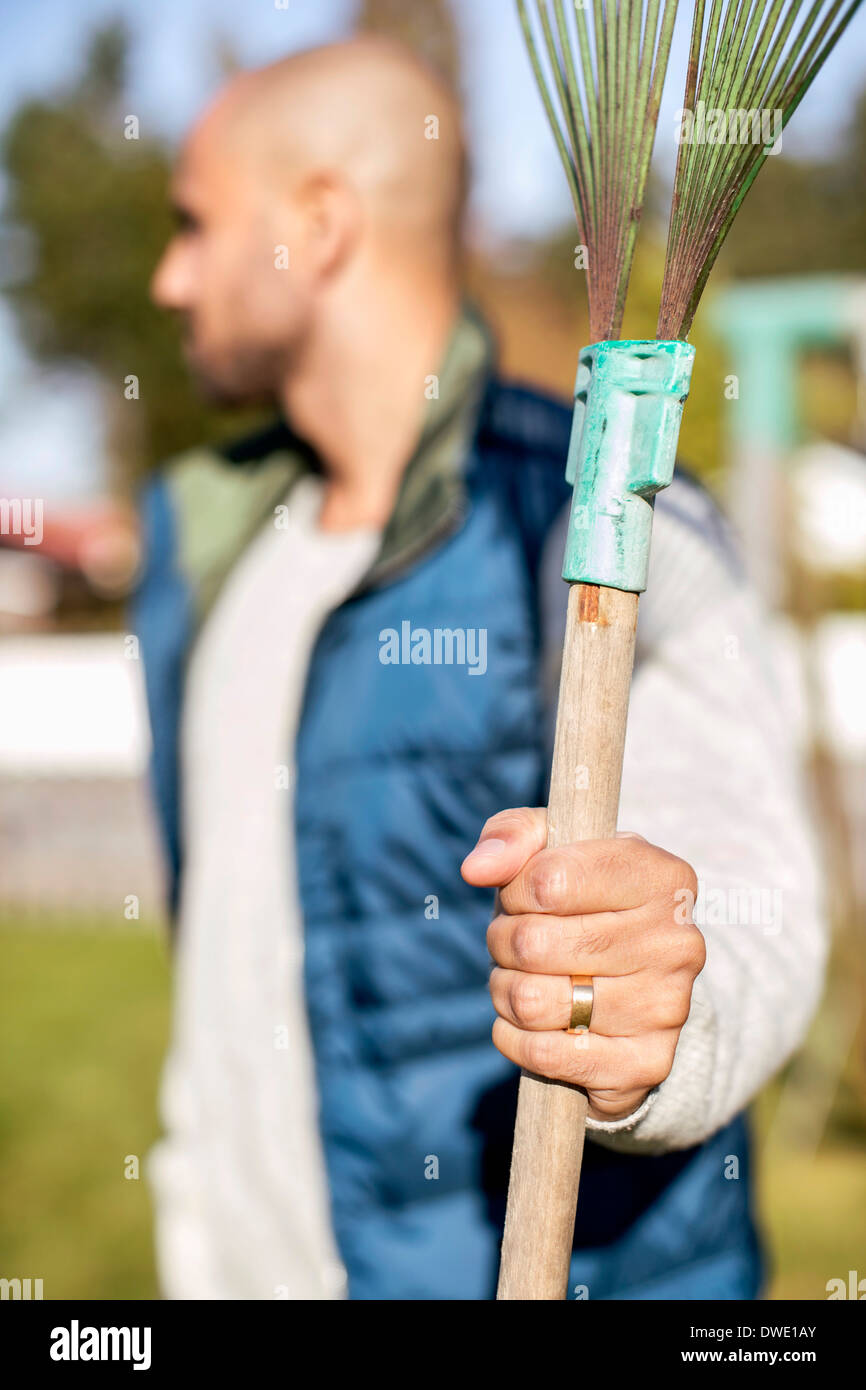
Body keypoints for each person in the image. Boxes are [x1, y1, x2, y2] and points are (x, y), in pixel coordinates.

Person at [133, 36, 826, 1300]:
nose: (169, 278)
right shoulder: (210, 547)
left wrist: (654, 1012)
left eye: (192, 223)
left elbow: (746, 883)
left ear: (318, 223)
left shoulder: (592, 522)